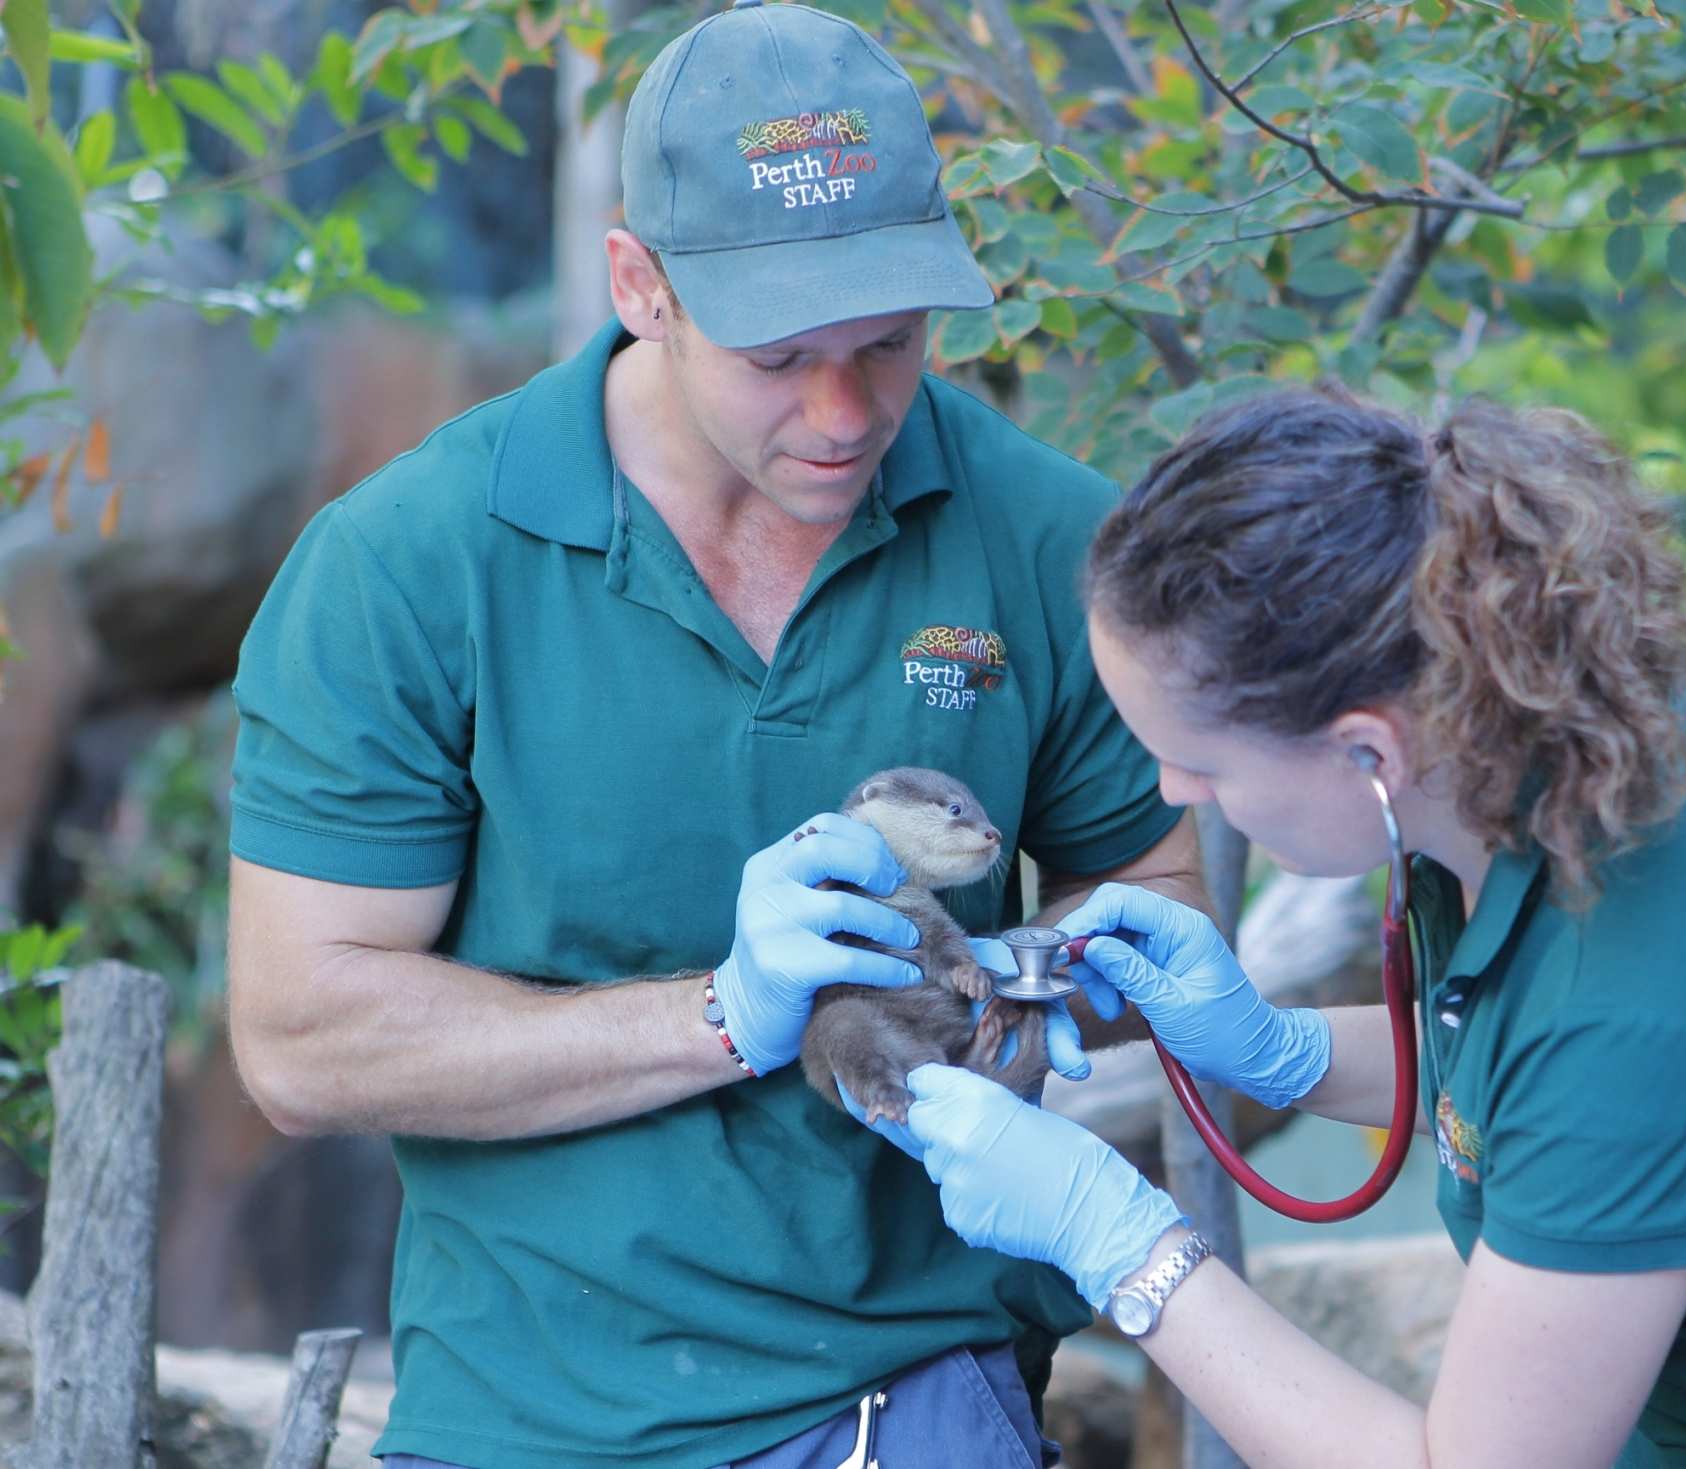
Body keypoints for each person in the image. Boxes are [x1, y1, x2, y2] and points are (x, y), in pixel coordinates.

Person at [222, 3, 1206, 1465]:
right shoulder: (411, 563)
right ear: (640, 283)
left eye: (887, 343)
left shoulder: (1040, 534)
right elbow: (301, 1041)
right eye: (779, 353)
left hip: (917, 1382)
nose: (843, 409)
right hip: (531, 1410)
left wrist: (1020, 983)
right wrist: (722, 1017)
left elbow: (1163, 897)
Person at [874, 388, 1686, 1467]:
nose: (1172, 797)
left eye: (1195, 762)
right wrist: (1274, 1049)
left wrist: (1121, 1241)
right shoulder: (1559, 716)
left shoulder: (1648, 996)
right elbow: (1516, 1054)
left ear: (1366, 751)